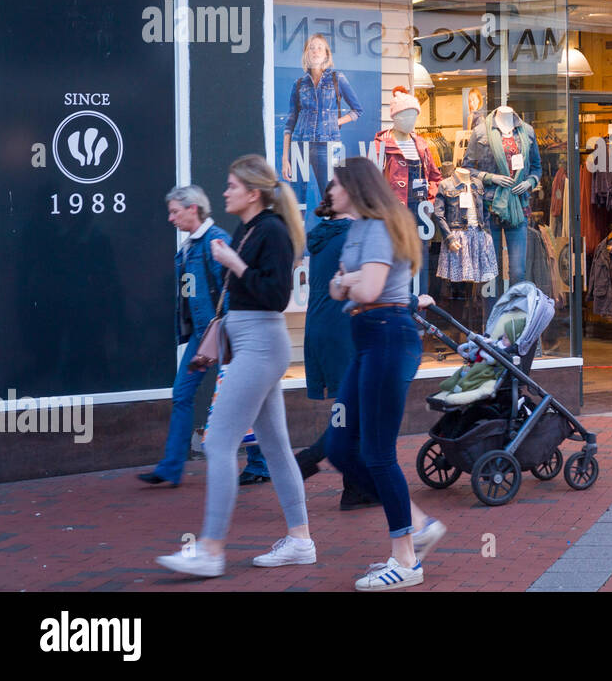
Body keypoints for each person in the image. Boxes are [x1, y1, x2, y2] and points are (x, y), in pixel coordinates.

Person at [156, 156, 314, 577]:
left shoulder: (273, 232)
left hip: (261, 343)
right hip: (249, 341)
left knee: (219, 441)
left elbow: (276, 295)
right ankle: (300, 540)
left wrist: (234, 264)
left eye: (231, 186)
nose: (224, 192)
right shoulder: (248, 229)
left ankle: (210, 550)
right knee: (276, 446)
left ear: (253, 192)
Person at [325, 157, 446, 591]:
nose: (330, 192)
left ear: (354, 186)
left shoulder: (377, 227)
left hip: (386, 334)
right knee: (338, 444)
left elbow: (366, 289)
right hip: (369, 338)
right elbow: (337, 285)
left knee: (376, 452)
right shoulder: (358, 228)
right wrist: (348, 282)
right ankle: (417, 524)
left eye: (335, 185)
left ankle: (406, 559)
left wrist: (349, 281)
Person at [139, 186, 269, 487]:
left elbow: (234, 286)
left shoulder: (215, 241)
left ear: (193, 209)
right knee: (182, 393)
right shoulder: (189, 246)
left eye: (175, 211)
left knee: (242, 397)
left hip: (224, 331)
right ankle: (171, 467)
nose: (171, 218)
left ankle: (260, 463)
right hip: (204, 333)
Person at [293, 183, 379, 510]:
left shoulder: (322, 235)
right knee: (355, 407)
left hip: (320, 327)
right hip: (342, 328)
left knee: (351, 406)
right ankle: (308, 460)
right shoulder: (352, 236)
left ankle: (355, 489)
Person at [282, 33, 364, 217]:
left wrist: (336, 121)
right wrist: (285, 157)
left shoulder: (337, 79)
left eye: (320, 47)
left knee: (330, 197)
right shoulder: (299, 84)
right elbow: (290, 122)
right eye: (311, 47)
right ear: (306, 54)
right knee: (297, 200)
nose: (315, 51)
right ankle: (297, 243)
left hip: (327, 145)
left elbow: (357, 110)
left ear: (326, 54)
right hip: (300, 145)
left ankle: (330, 239)